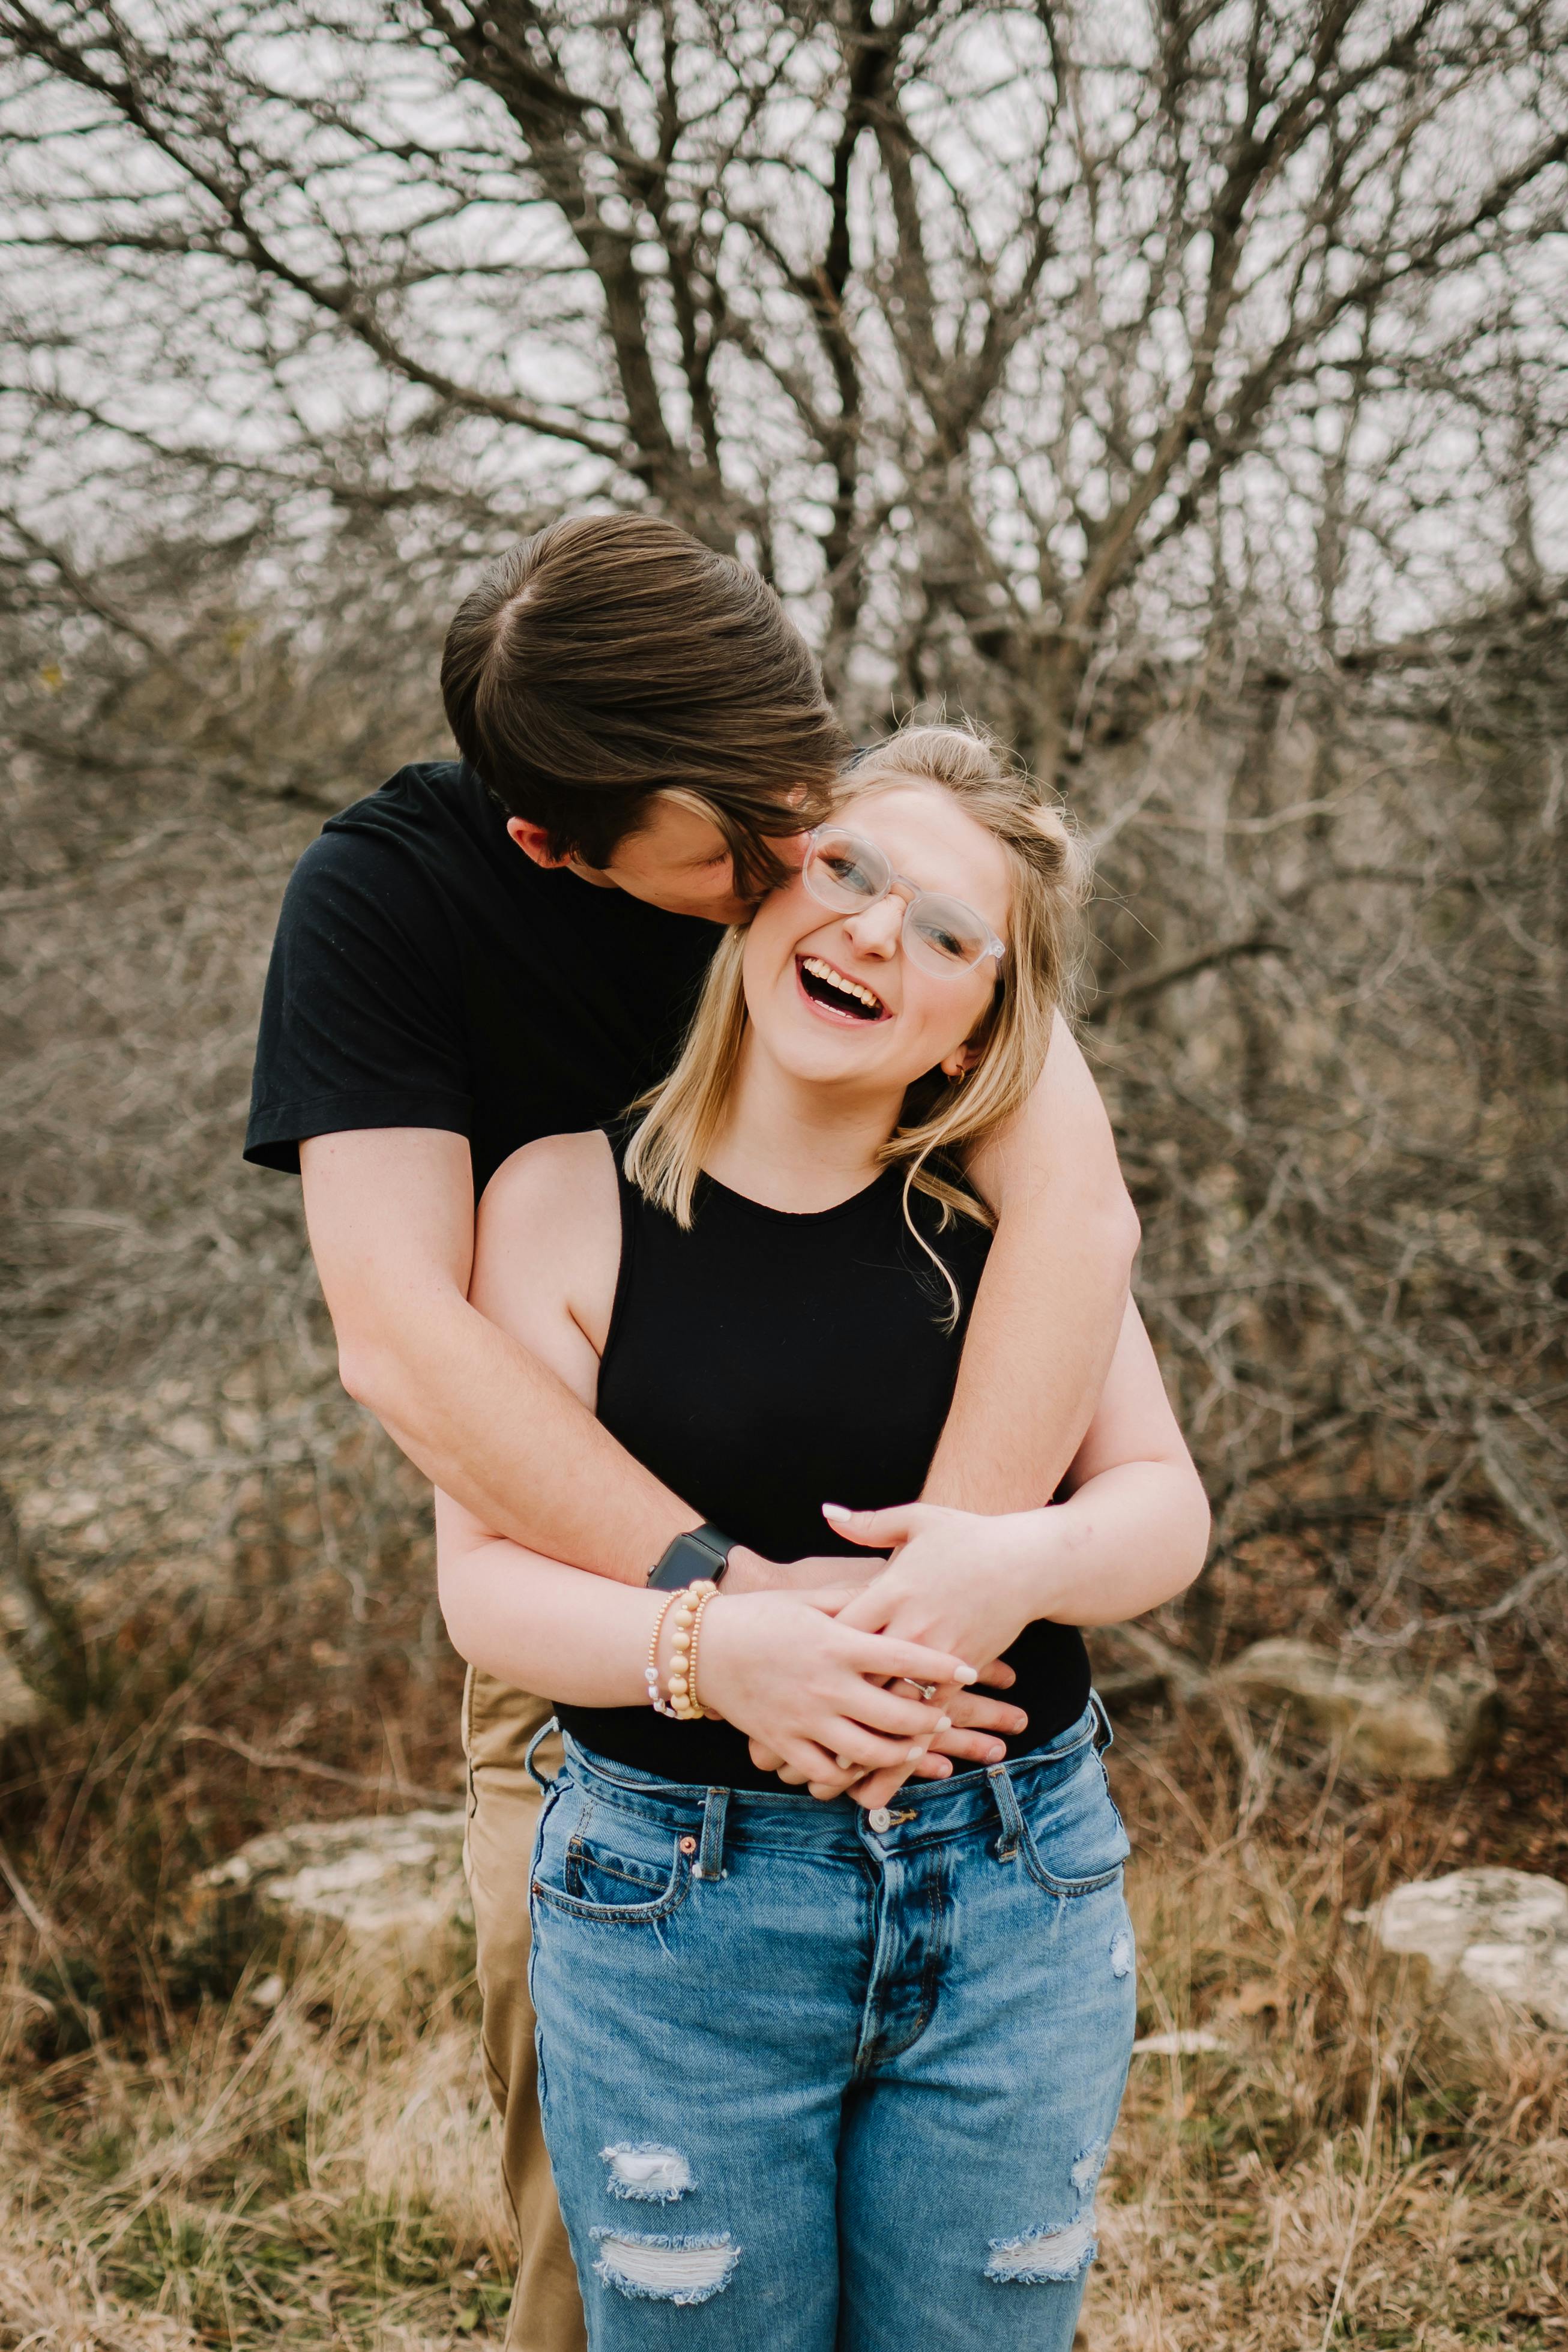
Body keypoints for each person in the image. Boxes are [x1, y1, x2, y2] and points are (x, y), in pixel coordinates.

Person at [245, 518, 1141, 2352]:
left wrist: (914, 1622)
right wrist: (718, 1623)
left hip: (932, 1704)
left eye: (801, 799)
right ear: (555, 848)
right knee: (617, 2264)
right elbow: (402, 1339)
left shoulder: (842, 867)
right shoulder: (394, 908)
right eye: (738, 849)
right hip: (593, 1651)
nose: (792, 871)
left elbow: (1081, 1216)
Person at [436, 723, 1209, 2350]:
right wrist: (718, 1650)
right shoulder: (562, 1198)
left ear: (972, 1030)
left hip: (1014, 1888)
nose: (874, 932)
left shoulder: (1003, 1229)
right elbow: (484, 1587)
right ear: (755, 895)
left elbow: (1160, 1510)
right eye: (846, 873)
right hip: (675, 1911)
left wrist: (1016, 1565)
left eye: (945, 935)